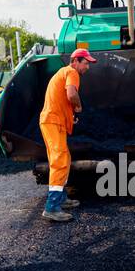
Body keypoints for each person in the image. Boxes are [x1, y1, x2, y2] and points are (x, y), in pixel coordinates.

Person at [38, 48, 96, 223]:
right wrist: (78, 107)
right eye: (85, 63)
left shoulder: (62, 72)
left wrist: (70, 116)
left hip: (52, 122)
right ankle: (51, 207)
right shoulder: (71, 72)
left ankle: (61, 198)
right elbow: (71, 94)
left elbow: (62, 99)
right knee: (60, 161)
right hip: (53, 122)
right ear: (75, 61)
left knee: (63, 159)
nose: (87, 67)